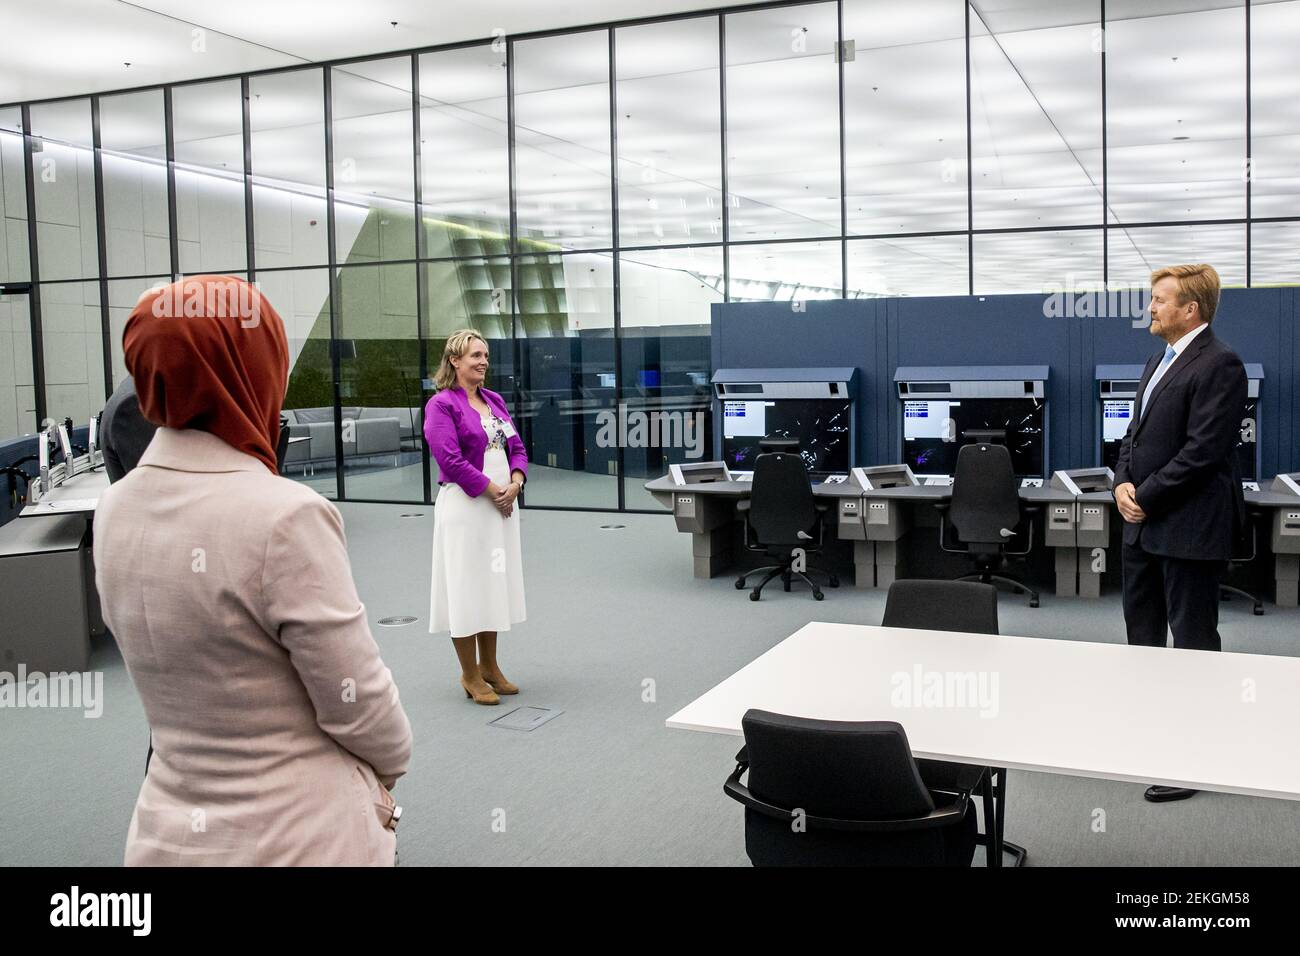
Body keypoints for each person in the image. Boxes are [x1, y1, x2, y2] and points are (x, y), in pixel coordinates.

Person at [94, 275, 412, 865]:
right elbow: (360, 706)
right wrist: (390, 768)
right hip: (298, 835)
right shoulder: (286, 516)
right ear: (251, 365)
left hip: (167, 833)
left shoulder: (115, 507)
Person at [1113, 263, 1247, 804]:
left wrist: (1144, 495)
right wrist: (1121, 481)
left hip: (1188, 527)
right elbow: (1133, 434)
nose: (1150, 308)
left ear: (1190, 310)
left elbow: (1203, 451)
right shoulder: (1158, 360)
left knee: (1192, 644)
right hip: (1142, 529)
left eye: (1159, 300)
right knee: (1141, 639)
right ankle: (1152, 739)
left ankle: (1195, 758)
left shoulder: (1220, 364)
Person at [425, 329, 528, 705]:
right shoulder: (441, 405)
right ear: (455, 361)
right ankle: (469, 674)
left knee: (491, 584)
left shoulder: (495, 400)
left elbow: (517, 446)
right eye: (475, 356)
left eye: (485, 355)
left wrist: (516, 481)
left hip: (501, 508)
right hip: (467, 508)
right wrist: (492, 490)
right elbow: (448, 458)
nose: (484, 361)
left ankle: (491, 668)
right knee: (467, 586)